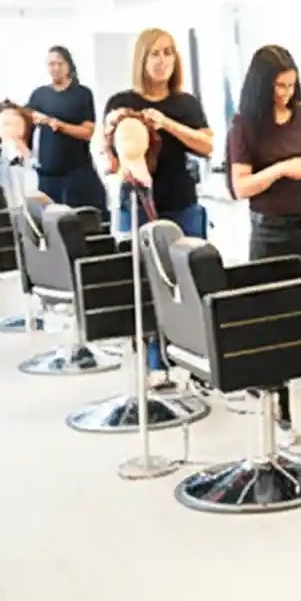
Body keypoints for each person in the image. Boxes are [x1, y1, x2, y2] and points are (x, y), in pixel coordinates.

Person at [226, 45, 301, 444]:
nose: (285, 93)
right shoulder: (246, 125)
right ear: (262, 86)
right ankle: (281, 409)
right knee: (276, 321)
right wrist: (280, 170)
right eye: (278, 86)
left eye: (291, 85)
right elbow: (241, 186)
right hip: (270, 233)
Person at [103, 28, 215, 385]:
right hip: (138, 206)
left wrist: (167, 123)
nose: (162, 60)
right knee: (148, 283)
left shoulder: (186, 104)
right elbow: (109, 156)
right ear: (141, 58)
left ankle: (197, 361)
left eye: (168, 52)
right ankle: (156, 362)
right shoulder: (121, 101)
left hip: (183, 204)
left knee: (191, 283)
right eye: (155, 53)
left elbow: (207, 145)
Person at [26, 46, 106, 214]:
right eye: (50, 64)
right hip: (47, 176)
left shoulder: (82, 94)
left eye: (59, 64)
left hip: (77, 173)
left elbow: (87, 132)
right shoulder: (39, 95)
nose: (55, 68)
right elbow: (25, 125)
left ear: (68, 65)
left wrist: (60, 125)